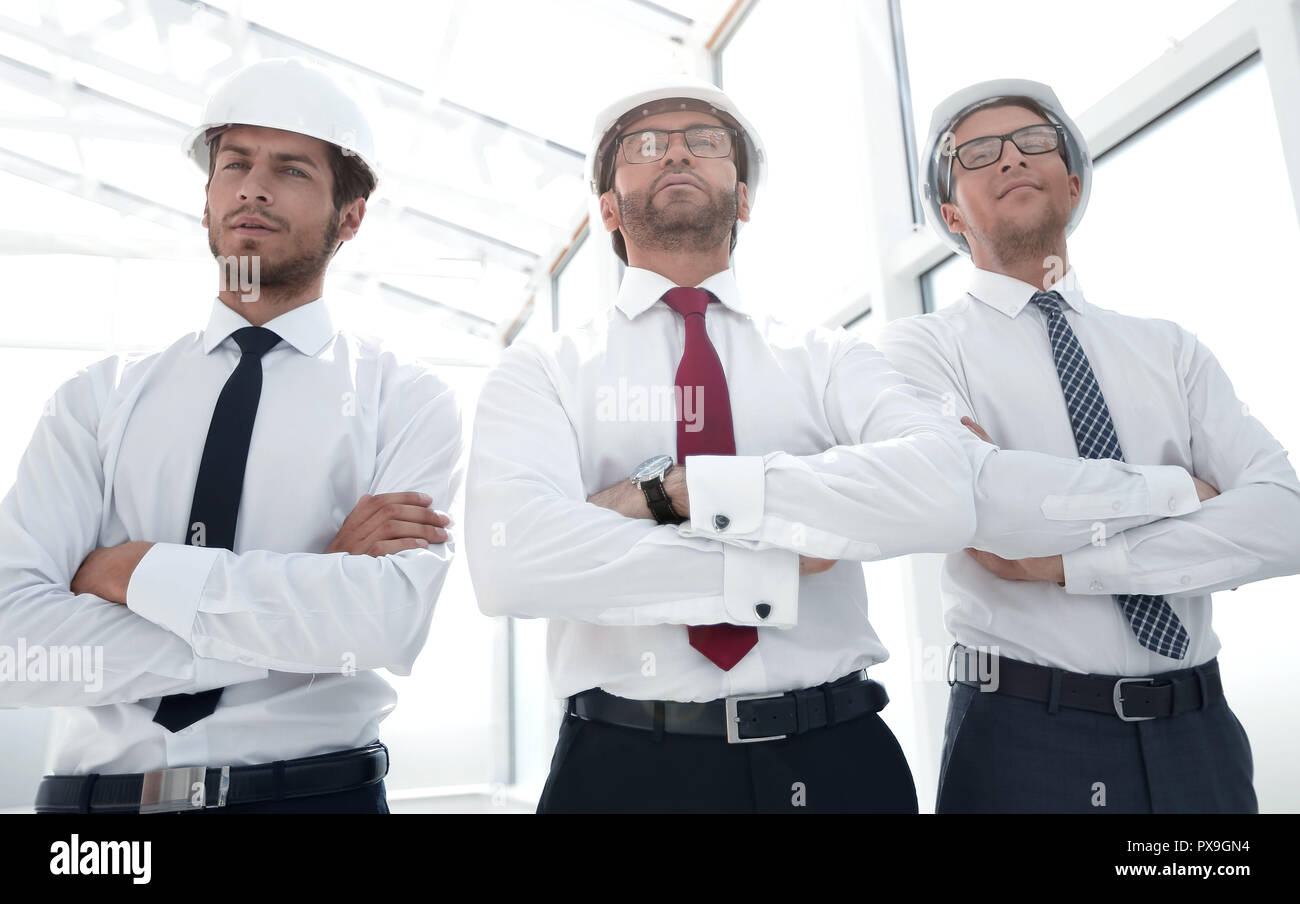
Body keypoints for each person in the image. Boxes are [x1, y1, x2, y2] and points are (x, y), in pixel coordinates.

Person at [463, 79, 1205, 813]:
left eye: (706, 141)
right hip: (623, 769)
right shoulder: (541, 371)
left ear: (745, 197)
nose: (678, 153)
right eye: (646, 145)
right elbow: (514, 565)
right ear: (606, 208)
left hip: (835, 760)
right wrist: (777, 553)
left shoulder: (830, 357)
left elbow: (943, 487)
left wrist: (661, 496)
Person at [0, 58, 463, 814]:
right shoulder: (94, 399)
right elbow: (13, 646)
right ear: (207, 197)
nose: (253, 186)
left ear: (351, 217)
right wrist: (307, 594)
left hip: (314, 801)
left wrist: (134, 570)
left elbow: (382, 622)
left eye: (291, 170)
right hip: (98, 817)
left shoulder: (407, 401)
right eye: (235, 164)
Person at [877, 78, 1300, 813]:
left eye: (1033, 141)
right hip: (1023, 738)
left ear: (1070, 184)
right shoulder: (917, 351)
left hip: (1200, 735)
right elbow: (983, 506)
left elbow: (1284, 519)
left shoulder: (1169, 349)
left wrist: (1068, 563)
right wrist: (1178, 491)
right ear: (950, 212)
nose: (1010, 158)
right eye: (978, 153)